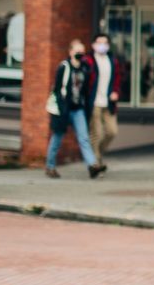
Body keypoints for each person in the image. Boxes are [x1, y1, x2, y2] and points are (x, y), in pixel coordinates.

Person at [45, 39, 99, 179]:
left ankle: (92, 166)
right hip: (63, 108)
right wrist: (61, 109)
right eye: (77, 51)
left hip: (78, 108)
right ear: (70, 52)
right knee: (57, 138)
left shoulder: (85, 68)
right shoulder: (64, 67)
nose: (80, 54)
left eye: (82, 51)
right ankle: (50, 167)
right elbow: (57, 89)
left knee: (84, 138)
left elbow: (87, 89)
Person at [83, 33, 127, 174]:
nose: (102, 45)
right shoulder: (88, 60)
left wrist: (116, 92)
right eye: (99, 42)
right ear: (93, 44)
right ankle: (95, 163)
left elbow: (118, 79)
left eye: (105, 42)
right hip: (94, 102)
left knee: (111, 131)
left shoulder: (112, 61)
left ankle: (98, 155)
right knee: (97, 134)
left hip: (108, 103)